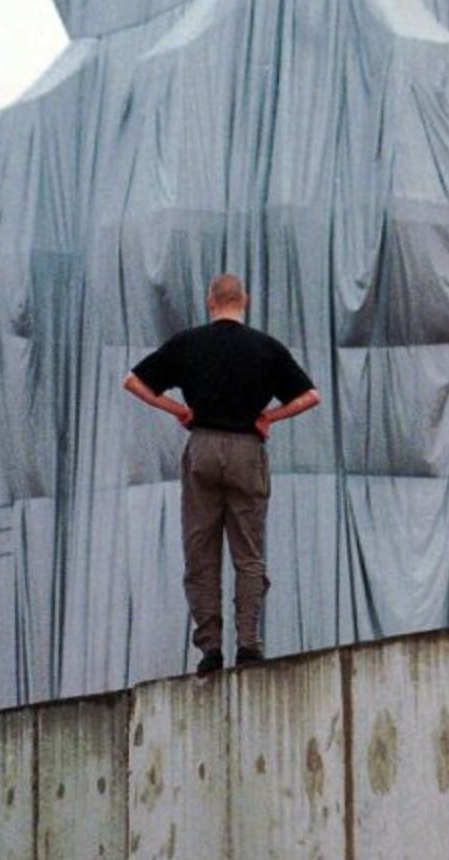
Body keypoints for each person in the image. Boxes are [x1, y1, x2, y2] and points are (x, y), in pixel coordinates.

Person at [124, 273, 320, 675]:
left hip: (203, 448)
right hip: (248, 449)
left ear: (210, 301)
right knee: (248, 554)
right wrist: (270, 416)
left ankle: (210, 649)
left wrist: (179, 409)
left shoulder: (189, 343)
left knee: (201, 552)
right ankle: (249, 644)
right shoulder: (266, 347)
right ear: (243, 301)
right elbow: (310, 396)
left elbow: (134, 382)